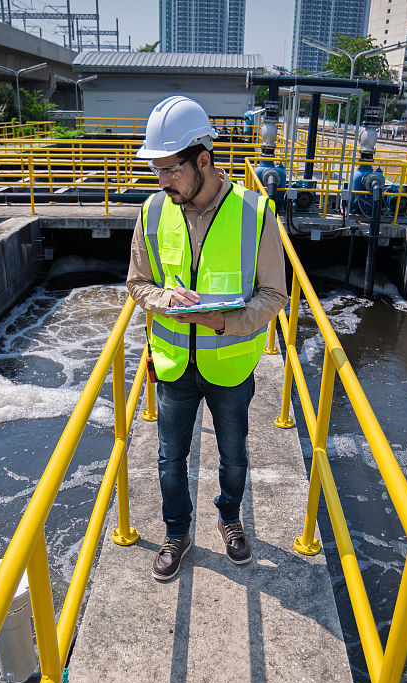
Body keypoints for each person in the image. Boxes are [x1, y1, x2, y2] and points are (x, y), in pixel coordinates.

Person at [126, 95, 289, 582]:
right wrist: (163, 300)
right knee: (169, 459)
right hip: (174, 365)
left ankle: (230, 520)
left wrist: (223, 322)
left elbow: (274, 297)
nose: (162, 181)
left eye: (170, 170)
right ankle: (176, 533)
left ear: (203, 160)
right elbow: (136, 283)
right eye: (157, 171)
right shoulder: (153, 211)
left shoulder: (256, 214)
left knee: (233, 455)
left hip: (232, 367)